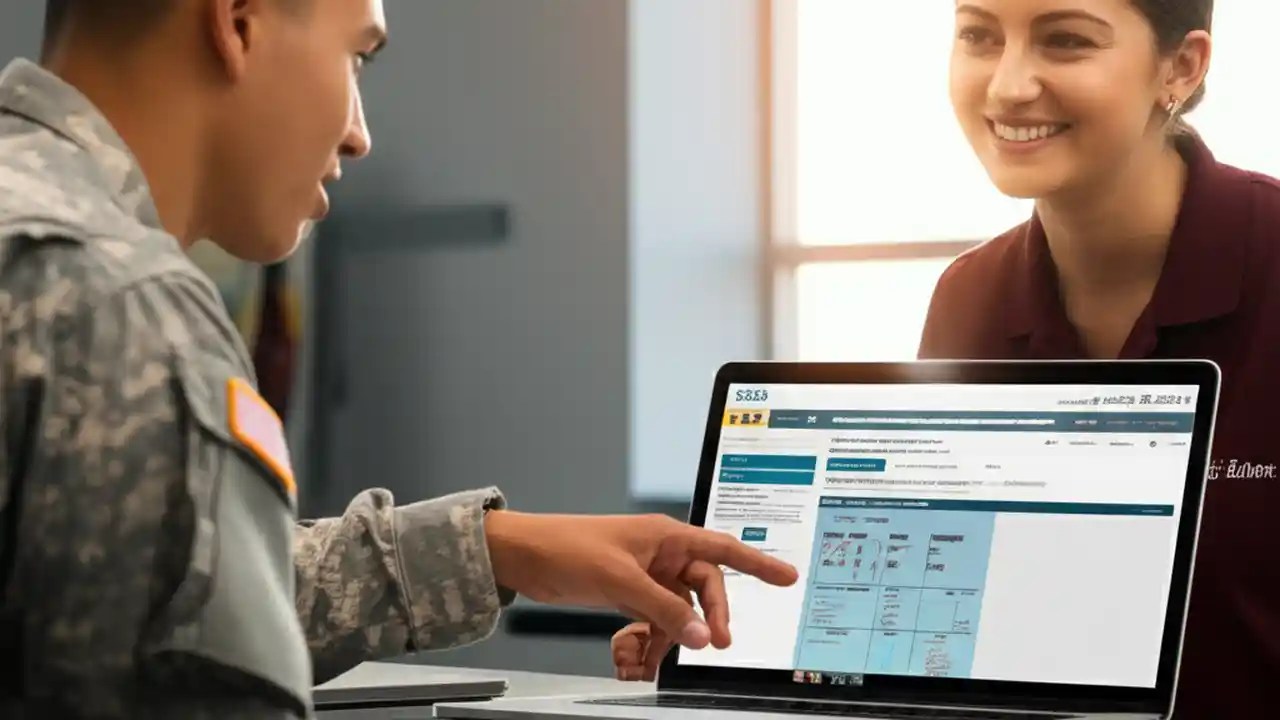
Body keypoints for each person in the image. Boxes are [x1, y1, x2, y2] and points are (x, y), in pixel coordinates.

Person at [0, 0, 800, 717]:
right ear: (236, 19)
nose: (359, 131)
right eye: (357, 56)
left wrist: (498, 547)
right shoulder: (119, 306)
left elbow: (155, 589)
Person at [615, 1, 1280, 717]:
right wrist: (736, 642)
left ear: (1181, 66)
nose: (1007, 86)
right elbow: (963, 605)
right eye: (979, 37)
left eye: (1065, 41)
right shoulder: (973, 295)